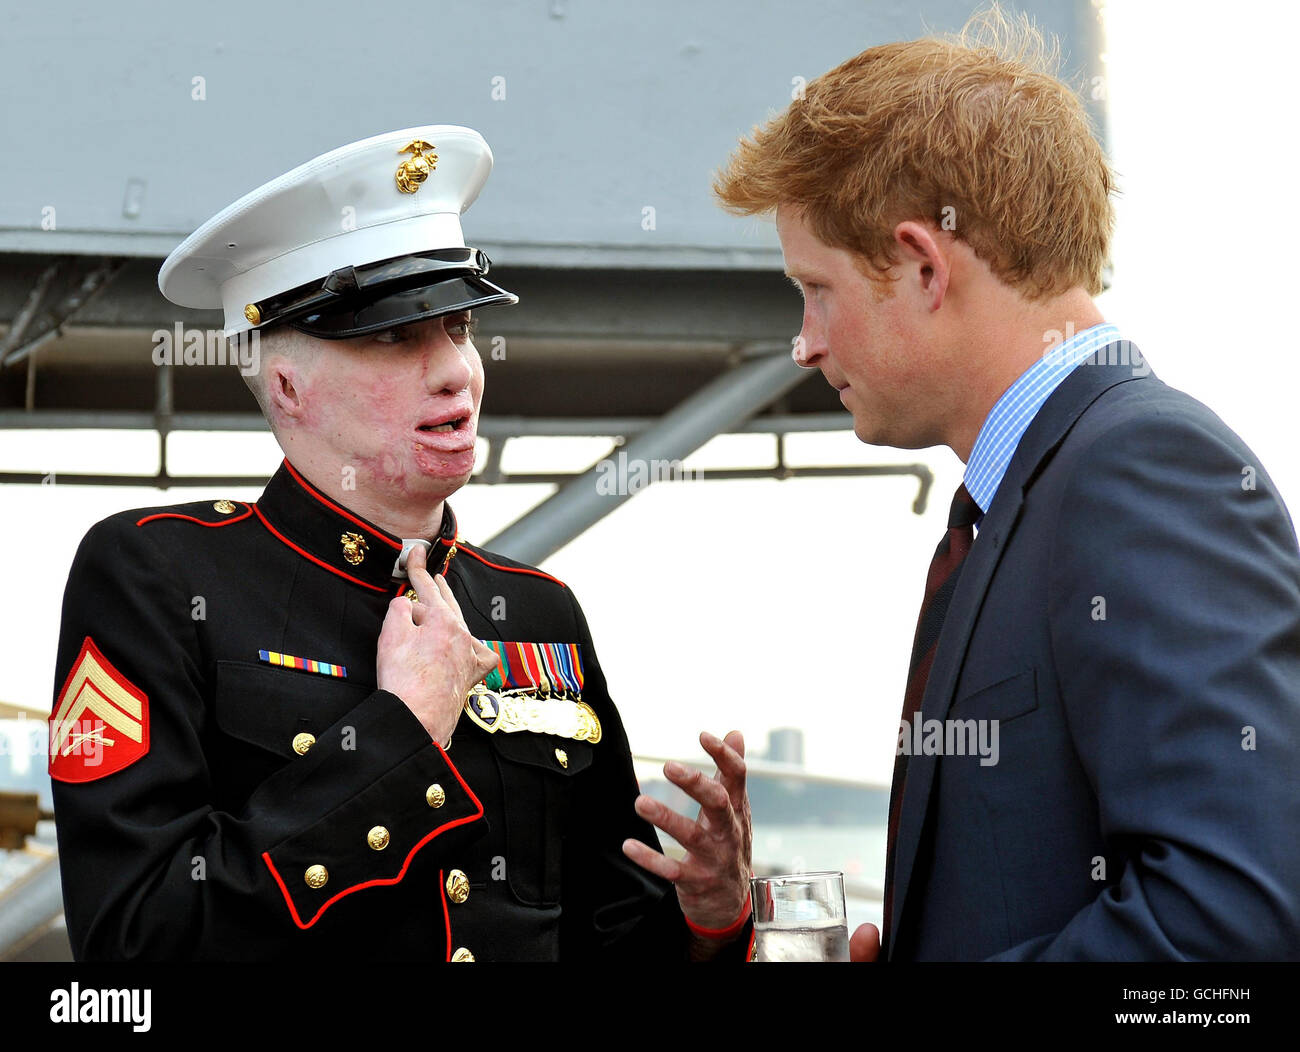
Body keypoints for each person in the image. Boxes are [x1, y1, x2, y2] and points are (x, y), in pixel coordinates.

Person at [48, 125, 752, 962]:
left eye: (456, 326)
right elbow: (136, 944)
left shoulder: (537, 611)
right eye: (395, 337)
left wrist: (712, 917)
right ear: (286, 384)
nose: (455, 368)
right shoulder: (157, 570)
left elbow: (604, 939)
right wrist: (400, 734)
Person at [713, 8, 1300, 960]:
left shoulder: (1142, 473)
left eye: (816, 289)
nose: (807, 342)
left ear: (921, 264)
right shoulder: (1046, 490)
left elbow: (1232, 930)